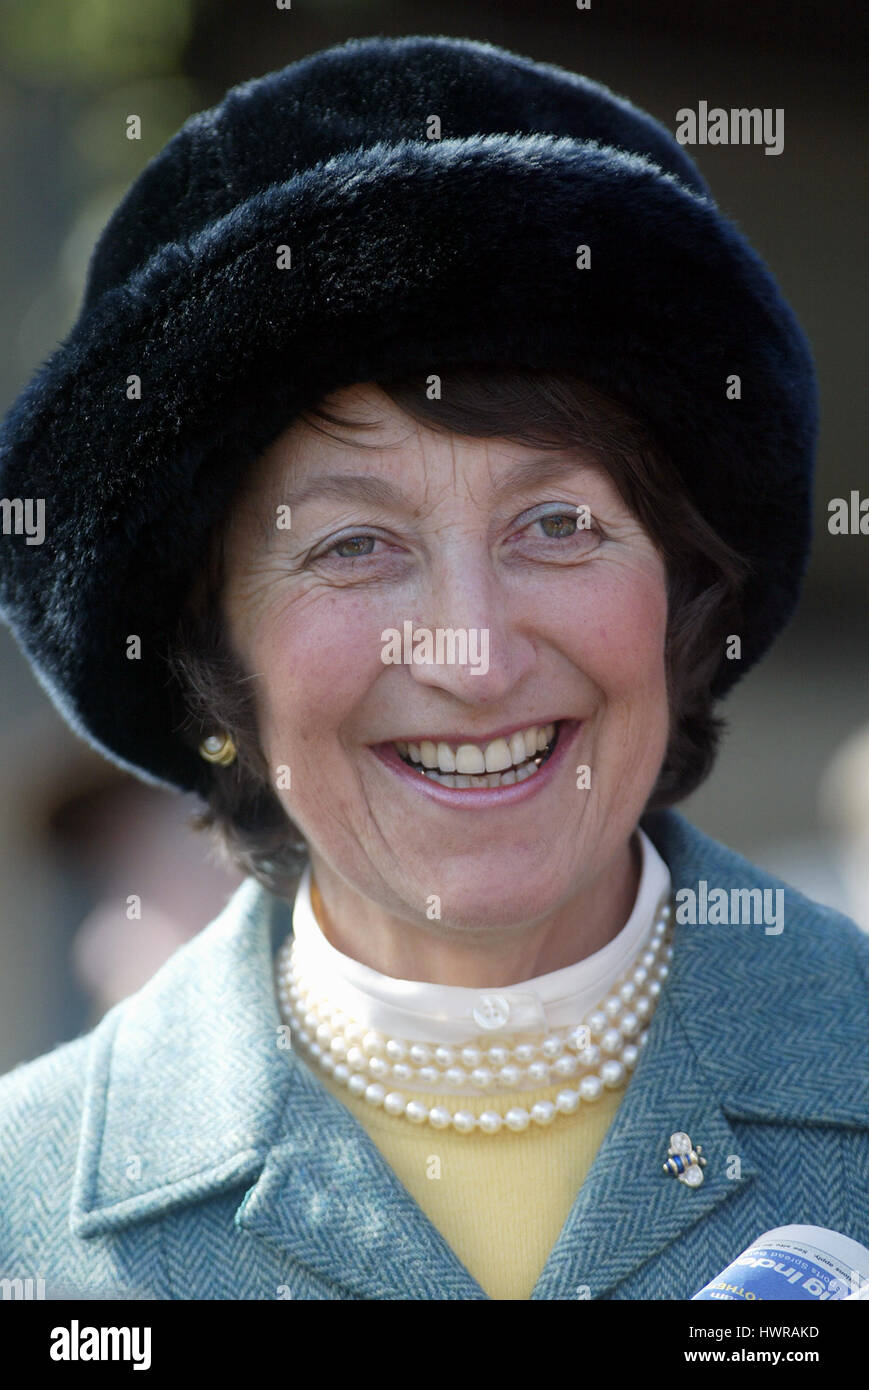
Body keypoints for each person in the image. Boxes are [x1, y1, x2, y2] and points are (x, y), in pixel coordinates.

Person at [0, 34, 866, 1303]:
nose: (472, 655)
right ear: (216, 651)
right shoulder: (27, 1220)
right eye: (354, 545)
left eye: (556, 525)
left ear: (681, 589)